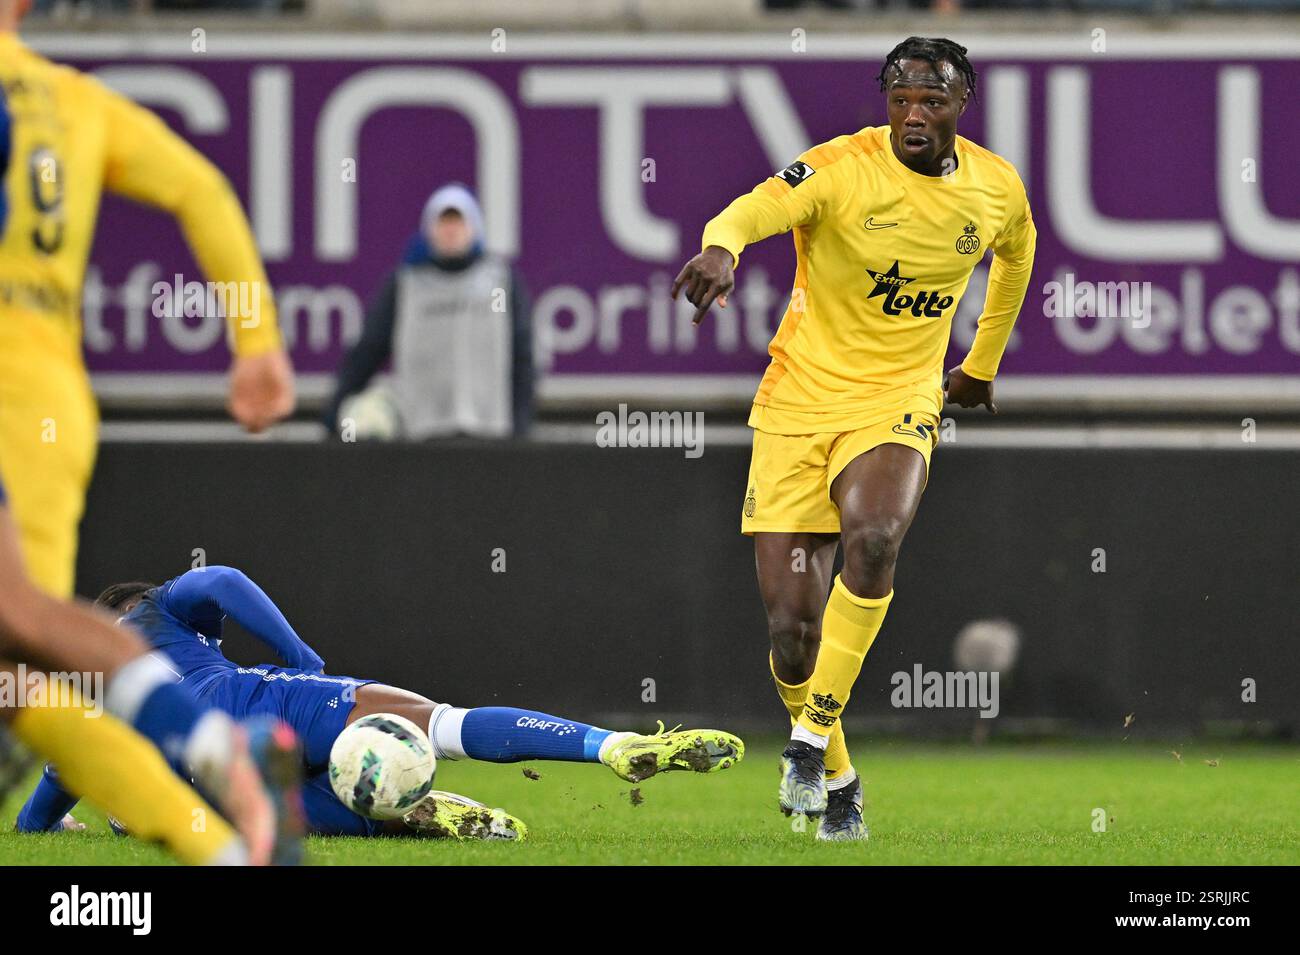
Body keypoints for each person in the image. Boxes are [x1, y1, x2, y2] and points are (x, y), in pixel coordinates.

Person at [671, 36, 1036, 840]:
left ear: (962, 101)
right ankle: (838, 776)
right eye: (900, 98)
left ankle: (804, 739)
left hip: (898, 399)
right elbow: (753, 207)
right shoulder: (840, 166)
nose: (913, 114)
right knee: (793, 635)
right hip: (798, 403)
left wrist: (979, 363)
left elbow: (1017, 257)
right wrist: (722, 247)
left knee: (874, 537)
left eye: (931, 100)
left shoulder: (995, 187)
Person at [16, 565, 744, 840]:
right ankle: (608, 746)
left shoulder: (78, 716)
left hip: (215, 791)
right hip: (252, 705)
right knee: (442, 722)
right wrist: (297, 653)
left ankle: (414, 817)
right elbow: (226, 581)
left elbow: (32, 820)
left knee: (324, 812)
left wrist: (69, 823)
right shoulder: (146, 614)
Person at [0, 0, 295, 599]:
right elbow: (204, 192)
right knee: (28, 629)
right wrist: (256, 338)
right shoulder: (74, 102)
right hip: (34, 387)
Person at [0, 478, 303, 865]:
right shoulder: (181, 627)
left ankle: (218, 756)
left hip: (208, 741)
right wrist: (304, 660)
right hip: (262, 718)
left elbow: (51, 790)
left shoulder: (144, 625)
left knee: (19, 623)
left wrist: (40, 820)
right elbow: (223, 580)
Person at [324, 183, 533, 441]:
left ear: (474, 227)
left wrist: (521, 427)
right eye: (443, 223)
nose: (451, 231)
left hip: (488, 430)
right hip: (422, 431)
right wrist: (335, 412)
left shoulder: (501, 283)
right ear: (429, 230)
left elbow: (522, 355)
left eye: (458, 222)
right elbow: (369, 350)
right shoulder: (405, 286)